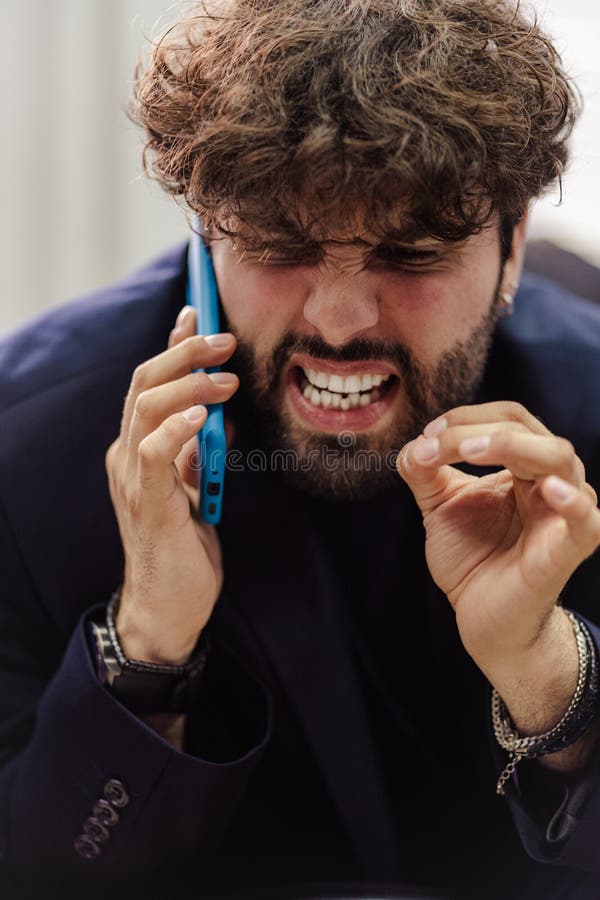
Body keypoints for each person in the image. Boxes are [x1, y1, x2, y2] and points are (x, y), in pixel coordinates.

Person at [1, 1, 600, 898]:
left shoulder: (590, 415)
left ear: (513, 245)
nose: (339, 322)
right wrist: (146, 650)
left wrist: (551, 676)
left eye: (411, 253)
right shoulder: (25, 444)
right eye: (282, 245)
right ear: (206, 232)